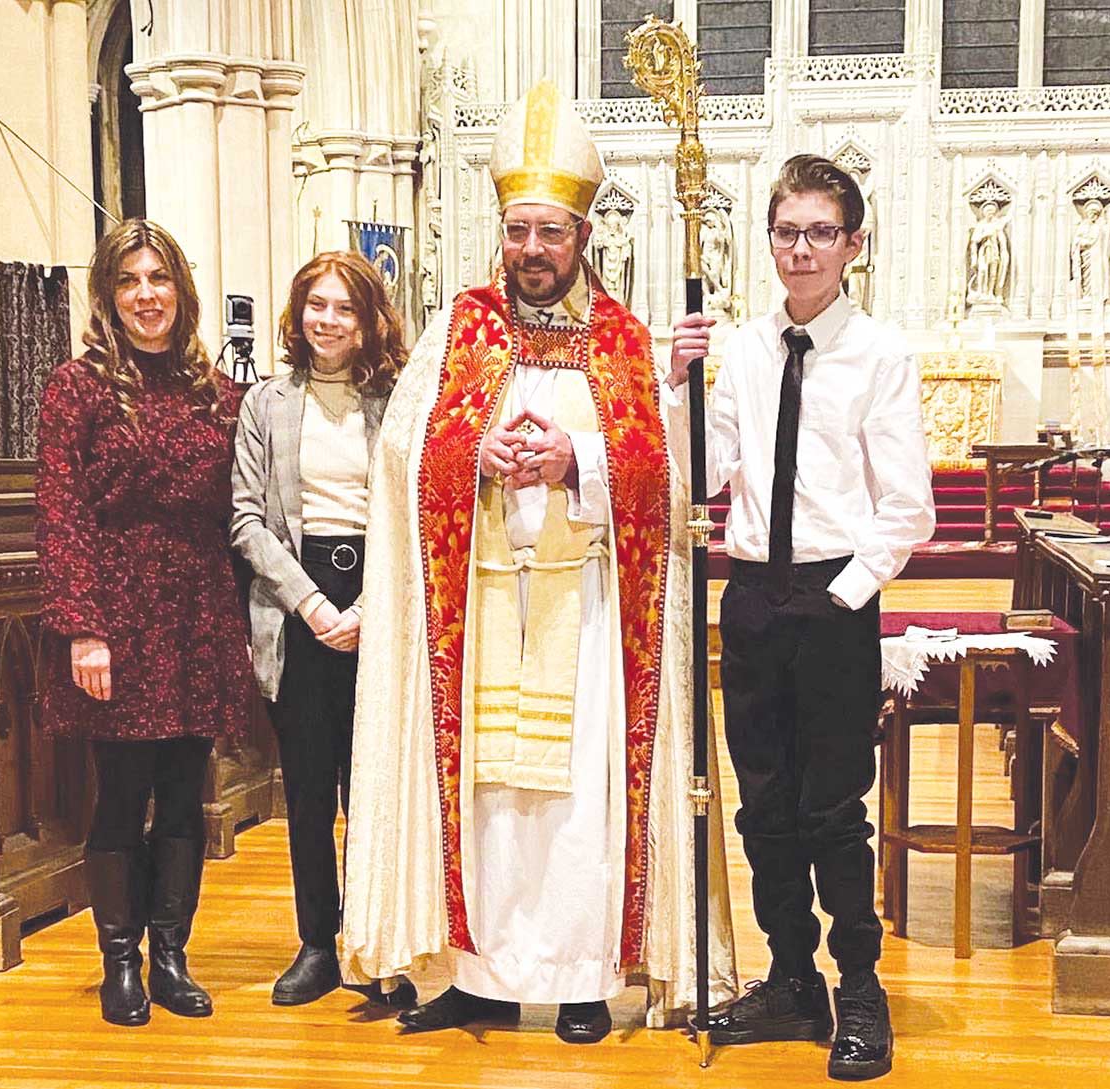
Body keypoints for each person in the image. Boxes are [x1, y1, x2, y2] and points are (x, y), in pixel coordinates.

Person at [340, 79, 737, 1045]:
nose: (530, 252)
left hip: (590, 611)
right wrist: (471, 453)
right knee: (483, 794)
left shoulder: (624, 341)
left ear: (582, 237)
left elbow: (669, 470)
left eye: (549, 234)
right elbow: (402, 448)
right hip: (472, 609)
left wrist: (578, 461)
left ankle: (583, 980)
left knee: (573, 805)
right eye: (517, 232)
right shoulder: (462, 327)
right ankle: (476, 975)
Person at [670, 154, 935, 1080]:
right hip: (748, 596)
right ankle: (791, 977)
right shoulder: (740, 347)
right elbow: (702, 474)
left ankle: (859, 983)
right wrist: (680, 383)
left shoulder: (879, 354)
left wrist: (843, 592)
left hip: (830, 598)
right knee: (762, 806)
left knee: (832, 808)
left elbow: (907, 508)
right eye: (787, 231)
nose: (801, 249)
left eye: (821, 232)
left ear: (853, 245)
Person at [36, 218, 253, 1026]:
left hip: (196, 610)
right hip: (118, 616)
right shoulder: (77, 388)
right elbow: (60, 513)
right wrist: (82, 628)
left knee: (183, 794)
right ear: (108, 294)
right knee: (122, 796)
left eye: (158, 279)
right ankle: (119, 960)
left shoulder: (216, 394)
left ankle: (171, 954)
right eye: (129, 281)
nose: (146, 295)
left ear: (181, 291)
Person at [230, 252, 415, 1009]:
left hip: (380, 597)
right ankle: (317, 941)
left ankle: (379, 946)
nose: (327, 320)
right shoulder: (266, 404)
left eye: (344, 307)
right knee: (309, 790)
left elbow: (413, 512)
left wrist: (371, 605)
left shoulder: (397, 401)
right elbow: (246, 516)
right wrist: (310, 604)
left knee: (375, 787)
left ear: (370, 318)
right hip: (299, 602)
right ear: (296, 313)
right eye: (316, 305)